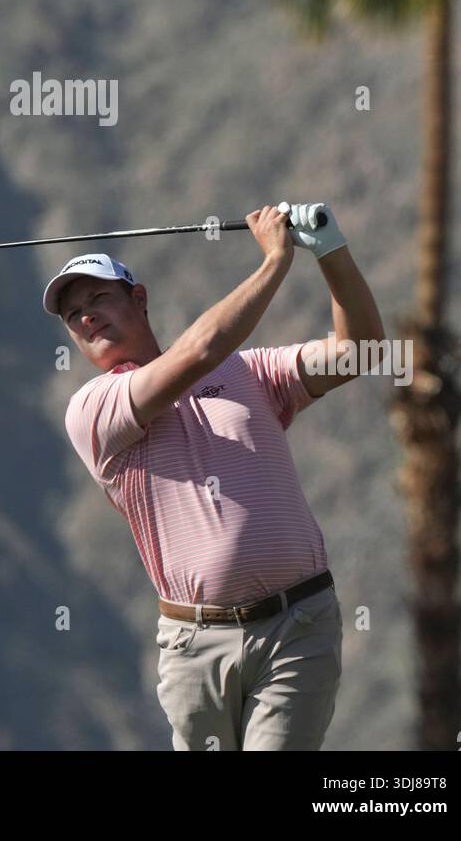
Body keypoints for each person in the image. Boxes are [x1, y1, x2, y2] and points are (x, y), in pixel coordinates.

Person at [42, 201, 385, 751]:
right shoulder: (94, 409)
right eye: (72, 314)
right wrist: (275, 260)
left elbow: (360, 350)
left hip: (298, 626)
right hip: (194, 647)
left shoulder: (247, 371)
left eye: (98, 297)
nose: (86, 316)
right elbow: (199, 350)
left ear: (139, 298)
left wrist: (329, 249)